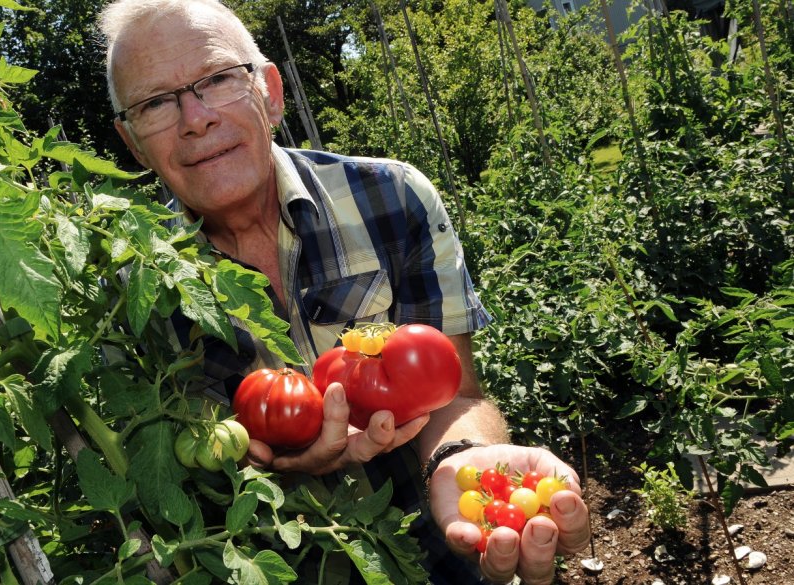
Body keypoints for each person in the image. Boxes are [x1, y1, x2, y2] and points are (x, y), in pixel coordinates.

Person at [97, 1, 591, 583]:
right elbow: (166, 465)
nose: (195, 118)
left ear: (270, 93)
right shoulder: (127, 285)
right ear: (133, 142)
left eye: (218, 79)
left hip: (434, 549)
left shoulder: (391, 197)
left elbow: (454, 393)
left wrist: (461, 459)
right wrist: (263, 465)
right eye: (155, 103)